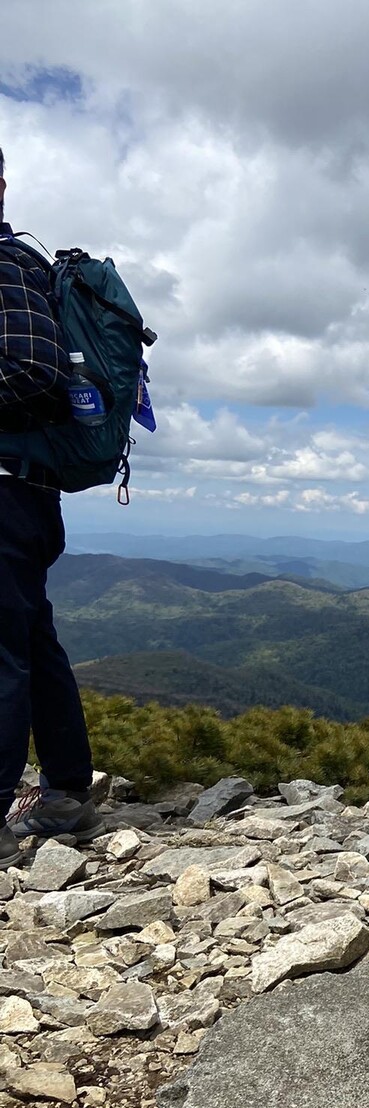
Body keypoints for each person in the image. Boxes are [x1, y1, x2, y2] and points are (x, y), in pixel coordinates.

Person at [0, 145, 105, 869]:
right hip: (22, 493)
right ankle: (67, 792)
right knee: (31, 645)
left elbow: (31, 371)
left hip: (7, 492)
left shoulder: (6, 266)